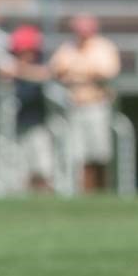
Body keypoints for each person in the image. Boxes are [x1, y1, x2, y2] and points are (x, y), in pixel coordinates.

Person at [49, 13, 120, 193]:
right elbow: (57, 70)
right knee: (77, 153)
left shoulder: (104, 47)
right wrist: (80, 73)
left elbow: (105, 73)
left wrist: (78, 73)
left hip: (96, 106)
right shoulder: (68, 47)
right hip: (74, 107)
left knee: (99, 154)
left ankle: (100, 192)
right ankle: (82, 192)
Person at [6, 25, 54, 192]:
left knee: (42, 165)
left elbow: (45, 74)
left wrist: (19, 70)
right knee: (21, 167)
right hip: (19, 123)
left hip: (39, 122)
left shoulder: (40, 63)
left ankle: (44, 192)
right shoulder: (12, 64)